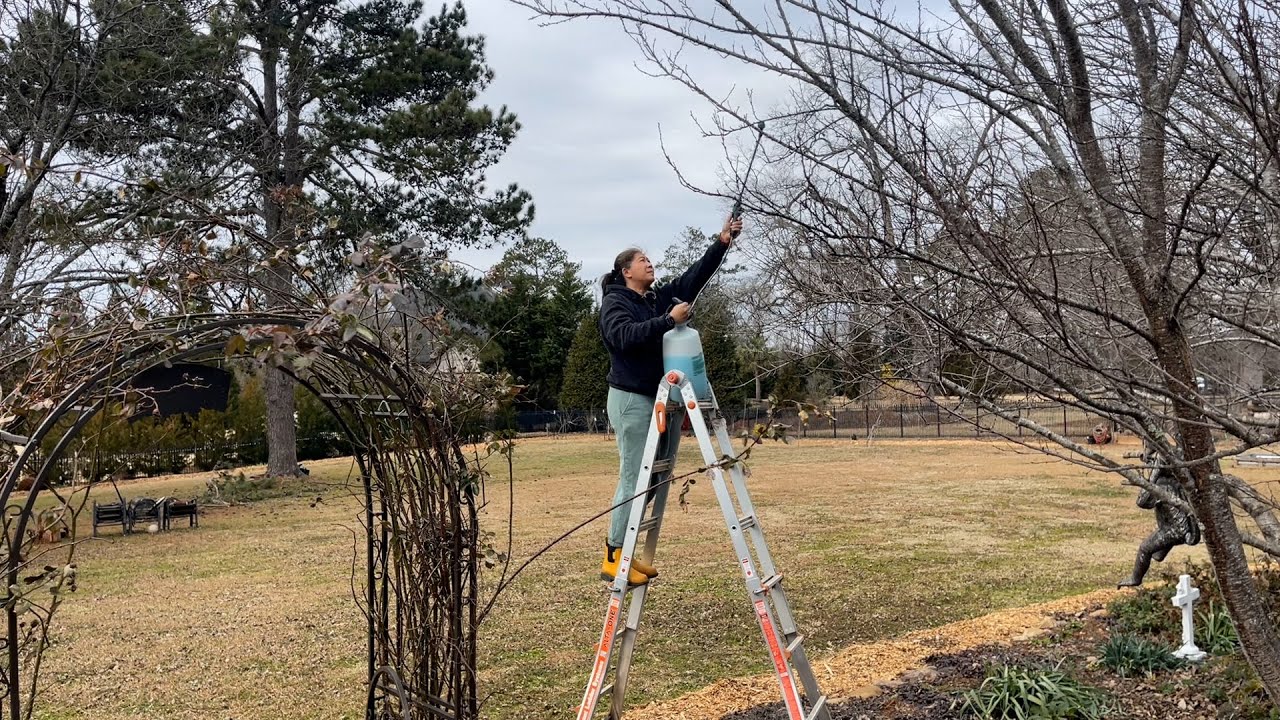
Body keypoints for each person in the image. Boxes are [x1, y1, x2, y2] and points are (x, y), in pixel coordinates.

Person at [597, 214, 742, 585]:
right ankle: (614, 555)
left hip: (655, 398)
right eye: (642, 260)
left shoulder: (653, 298)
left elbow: (691, 280)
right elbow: (624, 337)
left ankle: (627, 552)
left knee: (654, 476)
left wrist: (721, 242)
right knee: (634, 476)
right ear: (625, 271)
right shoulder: (616, 303)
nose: (650, 263)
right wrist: (666, 321)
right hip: (630, 400)